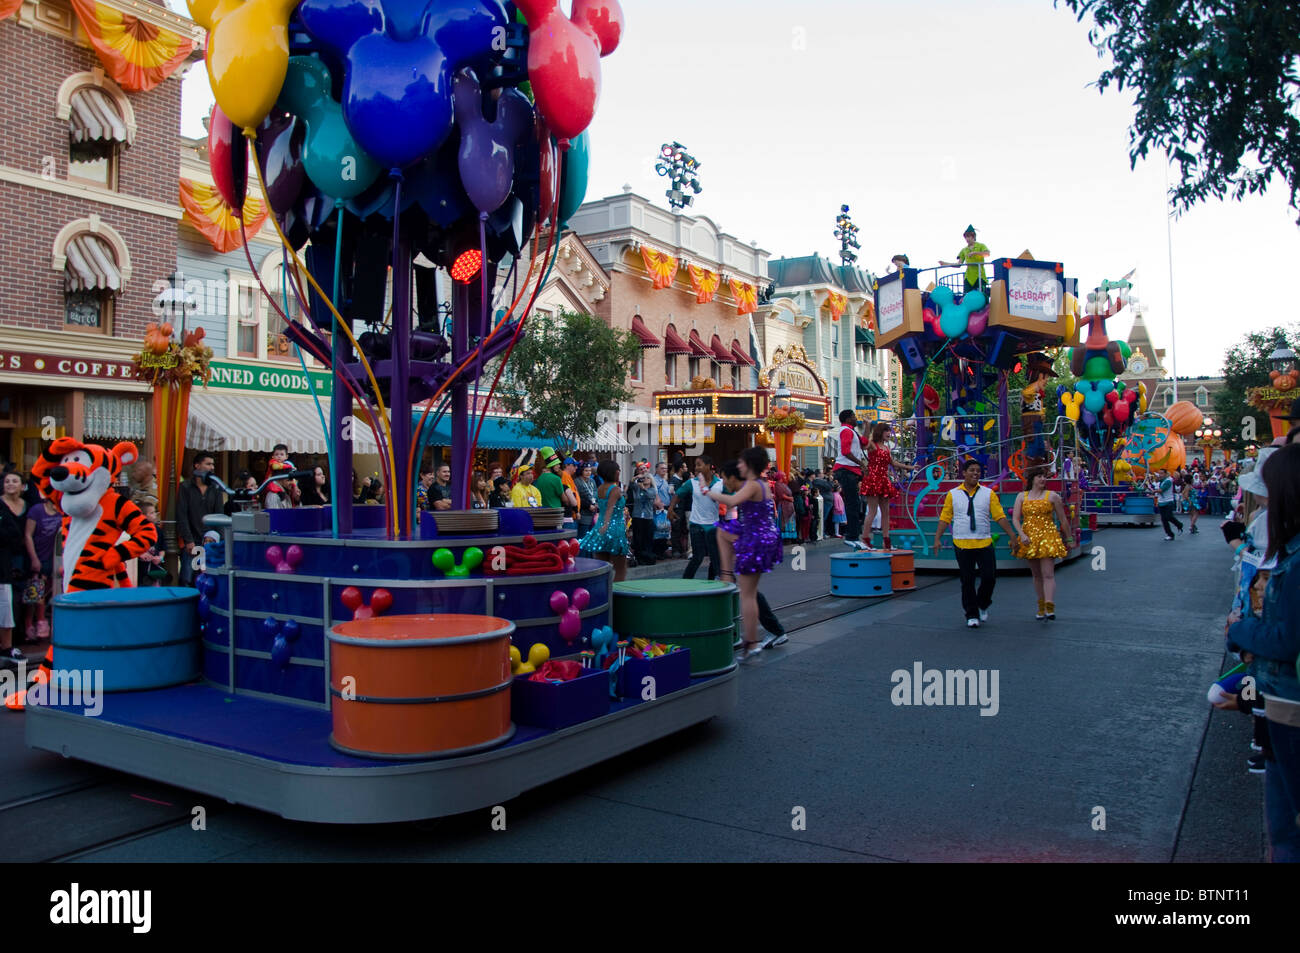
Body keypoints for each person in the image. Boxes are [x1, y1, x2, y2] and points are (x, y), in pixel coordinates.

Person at [1225, 444, 1300, 862]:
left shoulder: (1296, 562)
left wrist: (1244, 630)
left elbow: (1287, 639)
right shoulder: (1286, 549)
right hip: (1280, 697)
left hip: (1291, 703)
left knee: (1287, 829)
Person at [707, 449, 783, 662]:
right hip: (761, 536)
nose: (738, 465)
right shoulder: (761, 484)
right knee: (722, 530)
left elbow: (731, 502)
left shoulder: (752, 484)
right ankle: (725, 574)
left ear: (749, 464)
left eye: (741, 461)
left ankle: (752, 642)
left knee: (747, 595)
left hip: (755, 539)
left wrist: (709, 492)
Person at [934, 459, 1017, 629]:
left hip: (984, 541)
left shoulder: (988, 493)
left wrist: (1012, 535)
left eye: (978, 471)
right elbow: (945, 517)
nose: (975, 473)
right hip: (962, 542)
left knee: (989, 577)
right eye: (971, 470)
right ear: (963, 473)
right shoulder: (953, 494)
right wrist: (937, 538)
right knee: (967, 580)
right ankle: (971, 614)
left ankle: (982, 604)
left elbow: (999, 516)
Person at [1011, 466, 1075, 621]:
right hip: (1029, 538)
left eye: (1044, 476)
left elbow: (1063, 519)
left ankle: (1049, 605)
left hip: (1047, 537)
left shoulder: (1052, 496)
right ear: (1032, 479)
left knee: (1048, 574)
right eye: (1039, 476)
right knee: (1036, 575)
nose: (1043, 479)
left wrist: (1069, 538)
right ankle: (1040, 605)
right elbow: (1015, 519)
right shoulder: (1021, 497)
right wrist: (1021, 534)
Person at [176, 452, 224, 586]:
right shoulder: (185, 487)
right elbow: (182, 515)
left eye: (213, 464)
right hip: (192, 540)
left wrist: (218, 541)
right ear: (197, 466)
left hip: (211, 540)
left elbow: (219, 515)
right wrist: (188, 540)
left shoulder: (216, 487)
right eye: (208, 464)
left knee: (209, 577)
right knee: (187, 577)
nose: (212, 467)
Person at [858, 422, 906, 550]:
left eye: (889, 431)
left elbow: (893, 463)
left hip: (884, 480)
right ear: (880, 432)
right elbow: (863, 445)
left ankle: (886, 540)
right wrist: (867, 427)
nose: (889, 433)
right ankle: (865, 539)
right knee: (872, 511)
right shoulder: (872, 445)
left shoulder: (886, 448)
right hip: (873, 480)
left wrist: (909, 467)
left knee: (886, 513)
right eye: (886, 431)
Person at [579, 460, 629, 582]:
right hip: (614, 529)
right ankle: (617, 596)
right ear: (616, 472)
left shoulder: (600, 487)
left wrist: (602, 526)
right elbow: (610, 508)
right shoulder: (615, 489)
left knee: (603, 567)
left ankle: (603, 594)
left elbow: (601, 506)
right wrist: (606, 525)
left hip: (599, 528)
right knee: (620, 569)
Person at [22, 486, 60, 641]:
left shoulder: (63, 511)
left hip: (55, 557)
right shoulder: (36, 510)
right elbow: (28, 535)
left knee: (48, 589)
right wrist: (34, 558)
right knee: (35, 591)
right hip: (38, 555)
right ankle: (31, 624)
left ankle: (42, 620)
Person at [0, 471, 29, 662]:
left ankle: (8, 646)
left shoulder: (29, 506)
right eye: (7, 481)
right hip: (3, 556)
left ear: (22, 486)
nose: (10, 484)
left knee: (7, 602)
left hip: (17, 558)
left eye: (14, 481)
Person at [680, 455, 721, 581]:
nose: (696, 467)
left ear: (708, 466)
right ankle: (686, 581)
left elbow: (732, 497)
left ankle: (711, 581)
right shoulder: (692, 482)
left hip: (713, 525)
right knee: (698, 556)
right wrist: (670, 509)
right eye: (696, 465)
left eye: (699, 464)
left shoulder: (720, 484)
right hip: (696, 524)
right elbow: (678, 494)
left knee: (715, 556)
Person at [831, 409, 866, 544]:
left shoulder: (851, 431)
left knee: (855, 503)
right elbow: (846, 452)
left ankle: (854, 536)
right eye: (854, 417)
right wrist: (861, 464)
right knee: (853, 503)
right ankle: (852, 537)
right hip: (846, 469)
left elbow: (864, 443)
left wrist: (868, 426)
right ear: (848, 419)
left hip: (849, 470)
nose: (856, 419)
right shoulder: (846, 431)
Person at [940, 224, 991, 292]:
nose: (967, 239)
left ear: (973, 237)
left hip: (980, 276)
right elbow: (959, 265)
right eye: (966, 237)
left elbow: (987, 254)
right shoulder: (964, 250)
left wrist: (975, 253)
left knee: (981, 297)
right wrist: (946, 264)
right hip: (968, 277)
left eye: (969, 237)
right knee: (966, 297)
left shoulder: (981, 246)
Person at [627, 463, 658, 566]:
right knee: (638, 538)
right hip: (637, 516)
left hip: (648, 517)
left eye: (646, 478)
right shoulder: (637, 488)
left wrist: (644, 488)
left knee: (647, 538)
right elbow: (631, 484)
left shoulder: (652, 490)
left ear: (650, 480)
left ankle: (648, 556)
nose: (644, 480)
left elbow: (650, 496)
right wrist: (636, 477)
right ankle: (639, 557)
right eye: (643, 478)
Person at [135, 500, 169, 587]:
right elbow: (131, 547)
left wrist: (160, 558)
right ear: (143, 516)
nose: (155, 515)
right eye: (152, 513)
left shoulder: (157, 530)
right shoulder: (135, 530)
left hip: (155, 567)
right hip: (140, 569)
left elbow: (162, 548)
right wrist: (141, 554)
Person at [1152, 467, 1184, 540]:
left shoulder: (1168, 481)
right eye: (1159, 473)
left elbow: (1161, 490)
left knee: (1168, 516)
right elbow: (1157, 483)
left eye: (1161, 473)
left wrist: (1154, 491)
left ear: (1166, 474)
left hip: (1168, 501)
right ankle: (1170, 534)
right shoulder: (1161, 481)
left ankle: (1179, 524)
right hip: (1161, 502)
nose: (1160, 475)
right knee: (1164, 520)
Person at [263, 444, 297, 509]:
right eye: (276, 454)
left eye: (281, 454)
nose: (279, 457)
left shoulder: (286, 464)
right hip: (270, 482)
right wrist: (290, 467)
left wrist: (295, 487)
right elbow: (276, 466)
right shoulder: (273, 462)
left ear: (286, 456)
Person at [574, 462, 598, 534]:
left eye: (590, 470)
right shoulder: (577, 481)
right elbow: (577, 498)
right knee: (583, 537)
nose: (588, 473)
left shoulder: (592, 481)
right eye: (586, 470)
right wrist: (588, 505)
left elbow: (595, 494)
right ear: (581, 471)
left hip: (593, 513)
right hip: (583, 514)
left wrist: (596, 504)